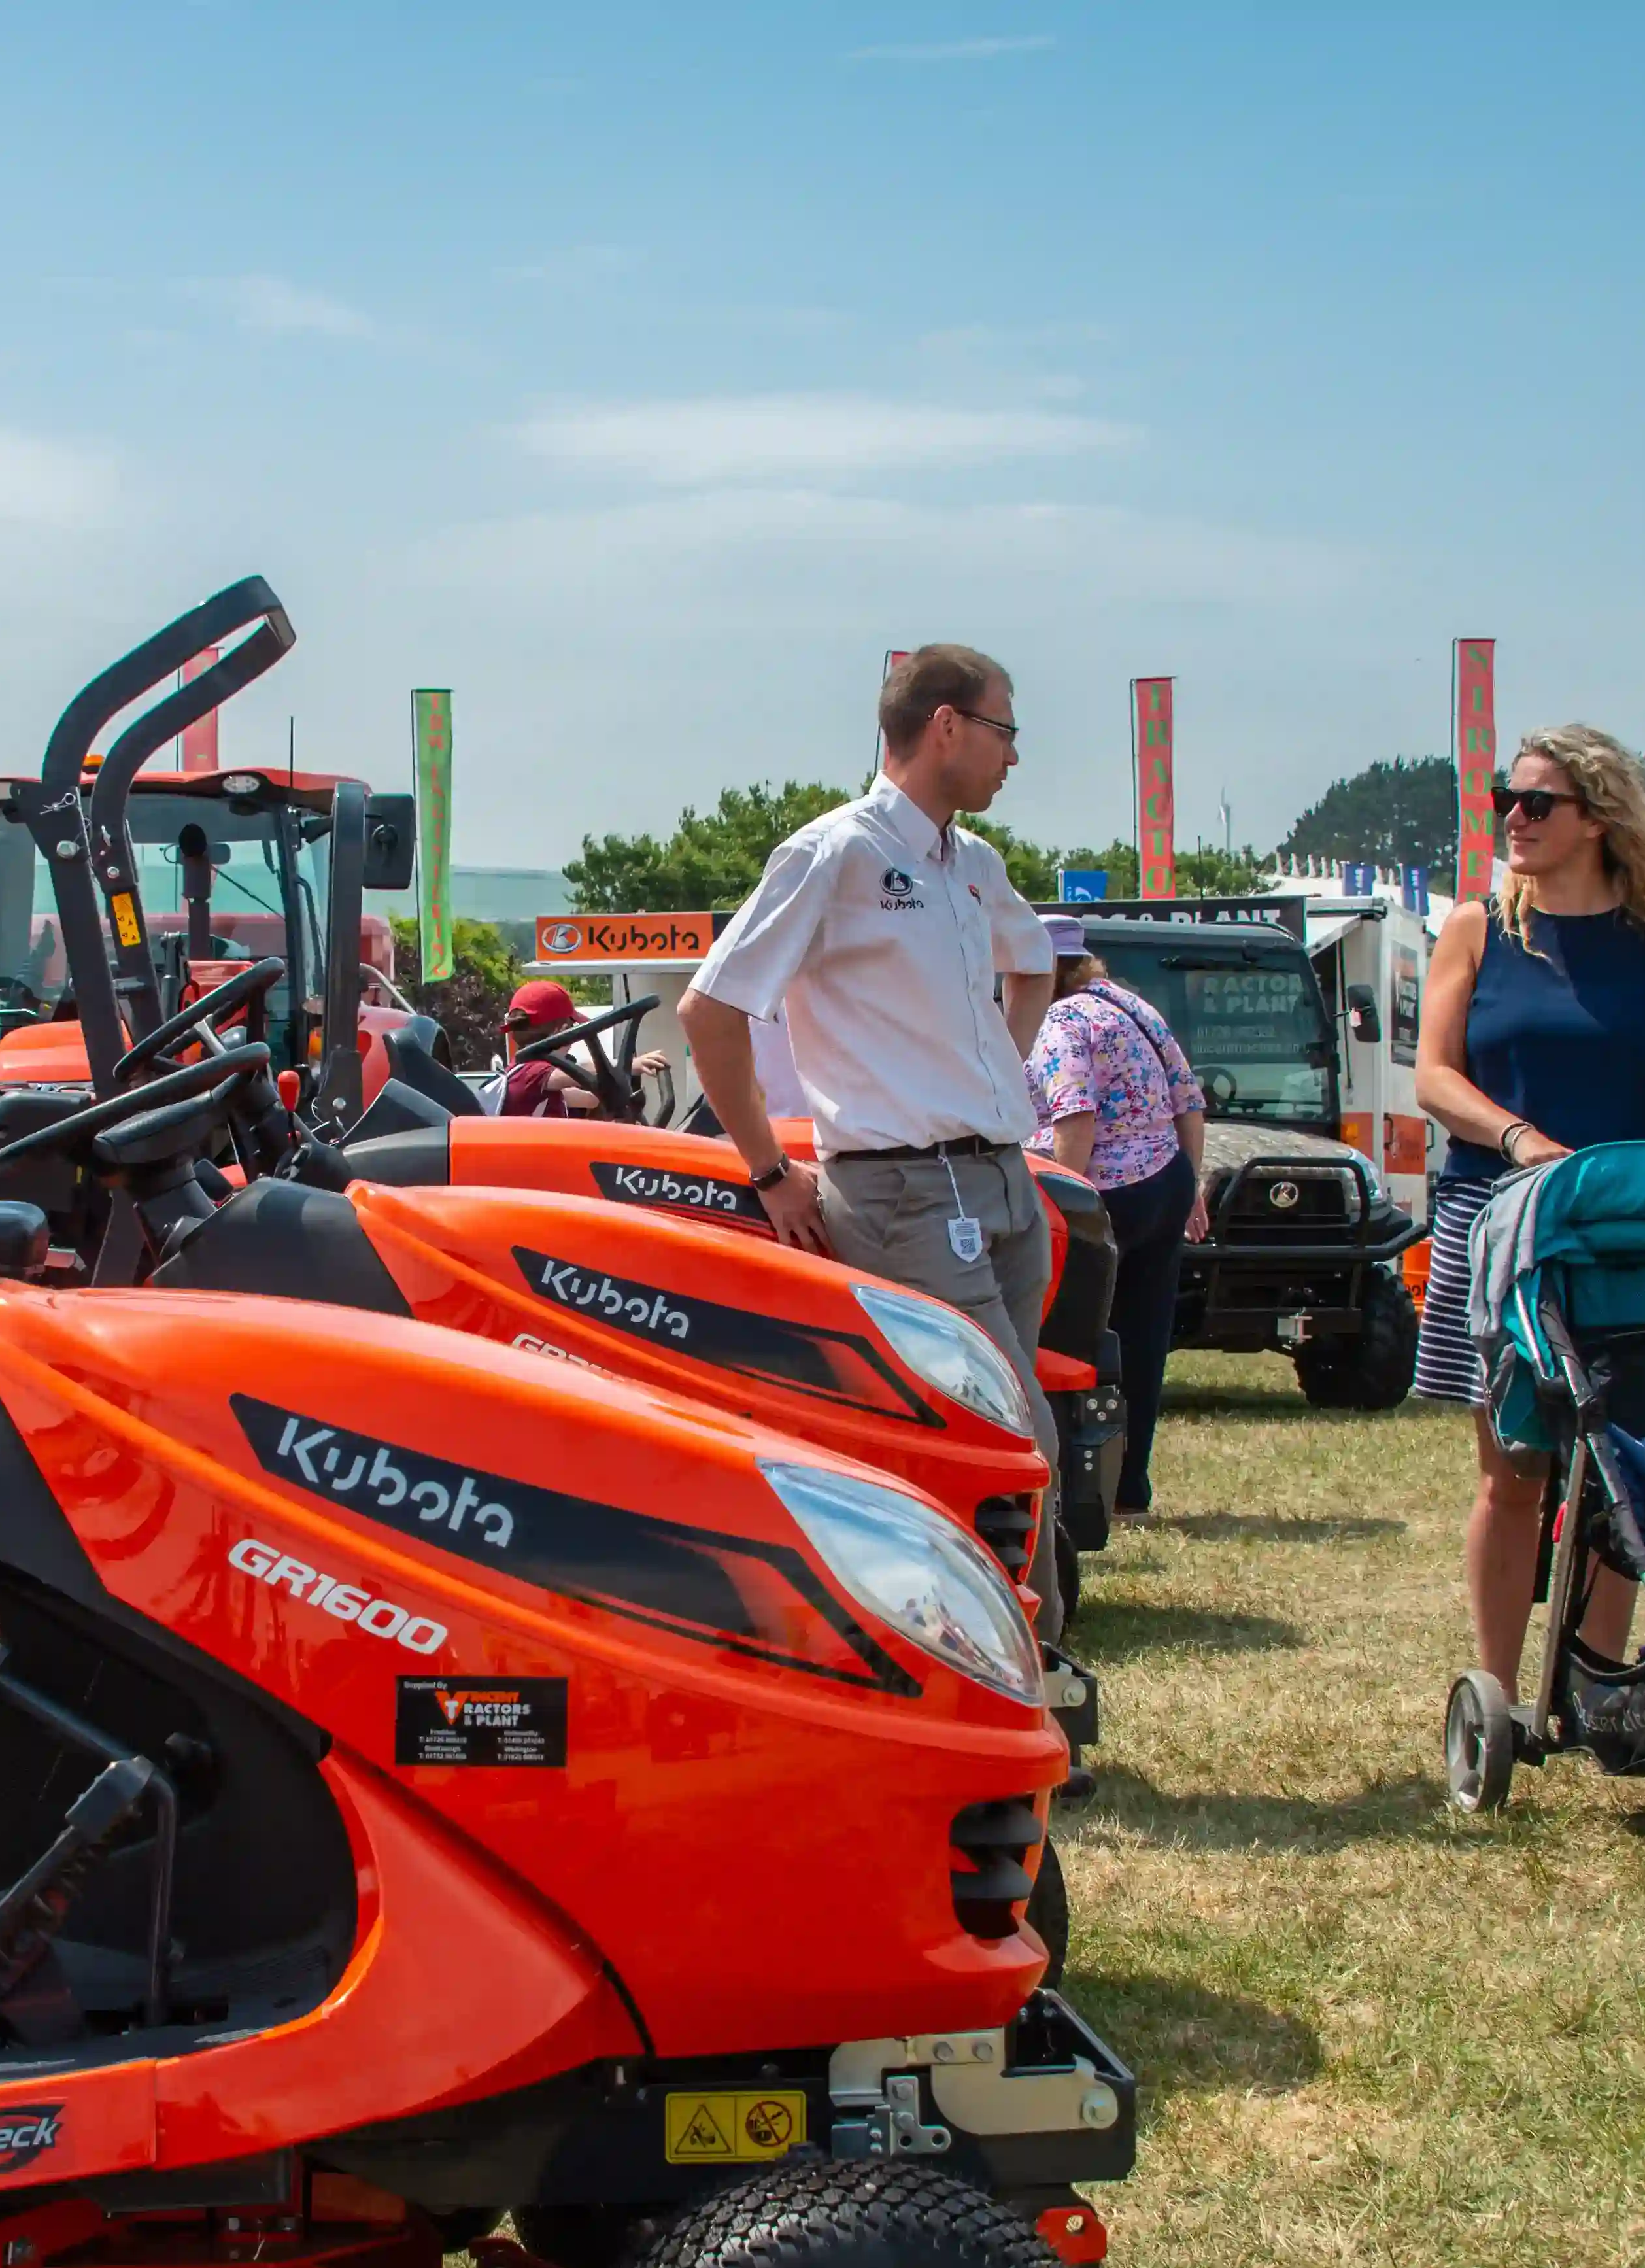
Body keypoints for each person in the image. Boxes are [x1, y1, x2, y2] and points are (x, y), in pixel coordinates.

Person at [679, 642, 1068, 1613]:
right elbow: (710, 1012)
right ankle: (1021, 1676)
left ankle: (1021, 1666)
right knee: (1012, 1443)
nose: (1014, 758)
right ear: (947, 726)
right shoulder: (834, 852)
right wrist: (771, 1172)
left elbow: (1037, 964)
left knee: (996, 1443)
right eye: (1005, 731)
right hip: (905, 1192)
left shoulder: (969, 859)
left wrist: (994, 1083)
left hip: (998, 1183)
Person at [1408, 723, 1645, 1689]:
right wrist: (1518, 1138)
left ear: (1597, 819)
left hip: (1627, 1227)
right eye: (1508, 800)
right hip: (1497, 1217)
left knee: (1620, 1472)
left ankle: (1592, 1686)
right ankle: (1502, 1693)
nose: (1514, 818)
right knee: (1516, 1470)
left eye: (1537, 803)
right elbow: (1432, 1076)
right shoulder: (1477, 927)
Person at [1028, 919, 1209, 1516]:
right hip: (1165, 1182)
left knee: (1069, 1341)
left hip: (1104, 1194)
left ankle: (1075, 1482)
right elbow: (1189, 1098)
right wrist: (1193, 1185)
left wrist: (1067, 1203)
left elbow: (1073, 1117)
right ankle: (1130, 1486)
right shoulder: (1132, 1006)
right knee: (1144, 1341)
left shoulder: (1060, 1022)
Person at [498, 976, 669, 1120]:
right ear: (563, 1031)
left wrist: (620, 1084)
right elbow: (575, 1072)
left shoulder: (533, 1082)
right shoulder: (530, 1073)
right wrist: (628, 1066)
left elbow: (589, 1099)